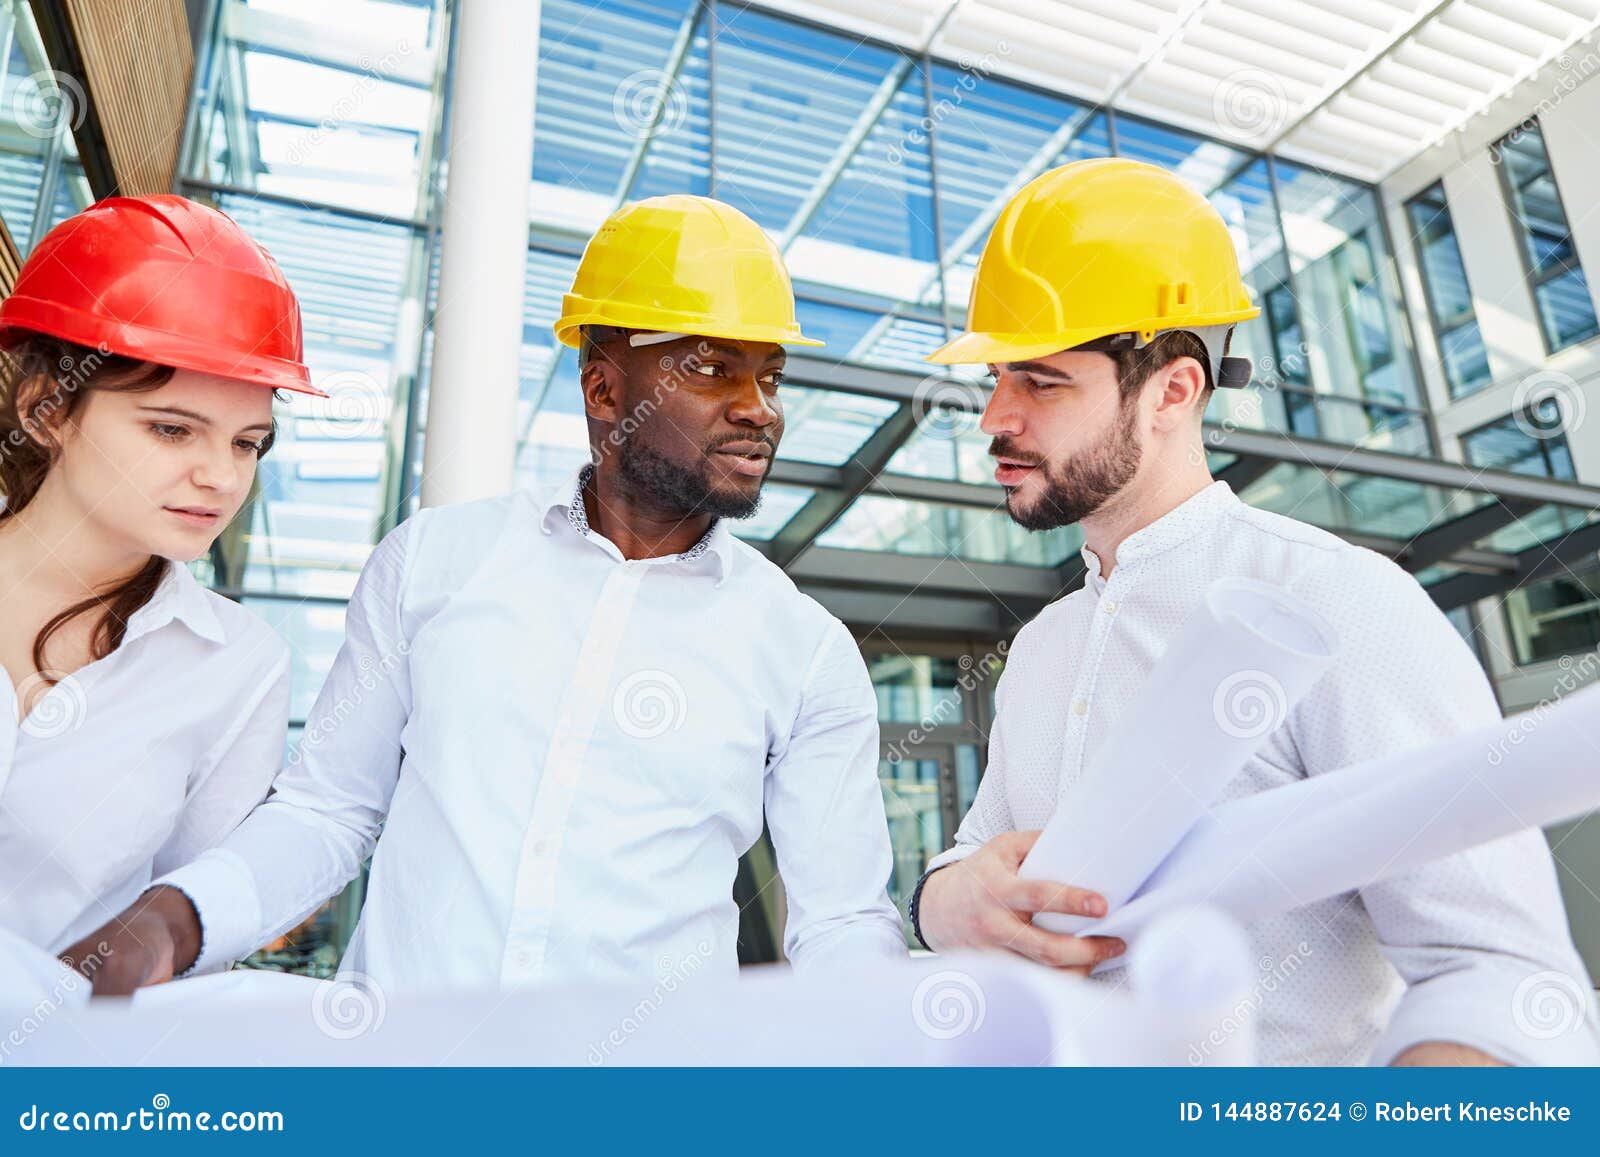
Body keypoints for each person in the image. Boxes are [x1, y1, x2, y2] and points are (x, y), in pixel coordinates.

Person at [69, 194, 905, 995]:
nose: (760, 410)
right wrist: (177, 918)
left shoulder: (807, 650)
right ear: (605, 390)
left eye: (771, 377)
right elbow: (329, 810)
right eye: (716, 368)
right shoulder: (433, 562)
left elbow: (842, 921)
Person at [910, 157, 1599, 1066]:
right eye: (997, 376)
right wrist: (942, 901)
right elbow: (976, 854)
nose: (994, 415)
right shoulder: (1041, 647)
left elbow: (1497, 971)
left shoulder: (1339, 602)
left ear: (1172, 391)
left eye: (1039, 381)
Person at [0, 195, 320, 961]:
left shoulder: (238, 665)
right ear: (46, 409)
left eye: (247, 442)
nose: (220, 477)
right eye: (172, 429)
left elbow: (181, 929)